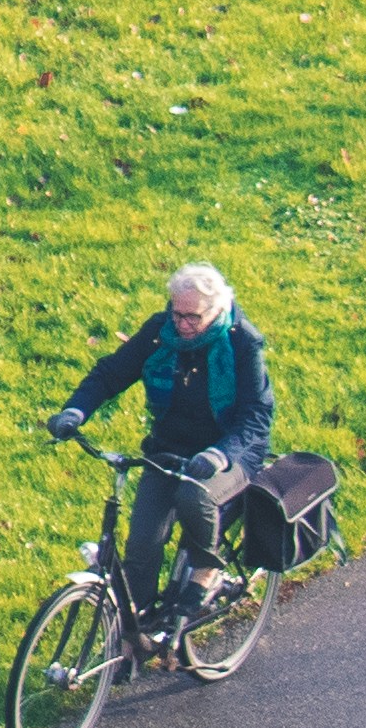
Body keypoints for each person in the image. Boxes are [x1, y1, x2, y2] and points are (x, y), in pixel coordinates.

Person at [50, 260, 275, 628]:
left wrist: (219, 454)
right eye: (177, 313)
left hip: (230, 455)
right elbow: (111, 373)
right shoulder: (160, 333)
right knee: (141, 548)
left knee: (193, 496)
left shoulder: (241, 342)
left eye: (193, 318)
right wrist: (75, 411)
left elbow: (256, 415)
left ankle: (206, 568)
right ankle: (131, 641)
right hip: (168, 451)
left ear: (217, 310)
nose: (182, 325)